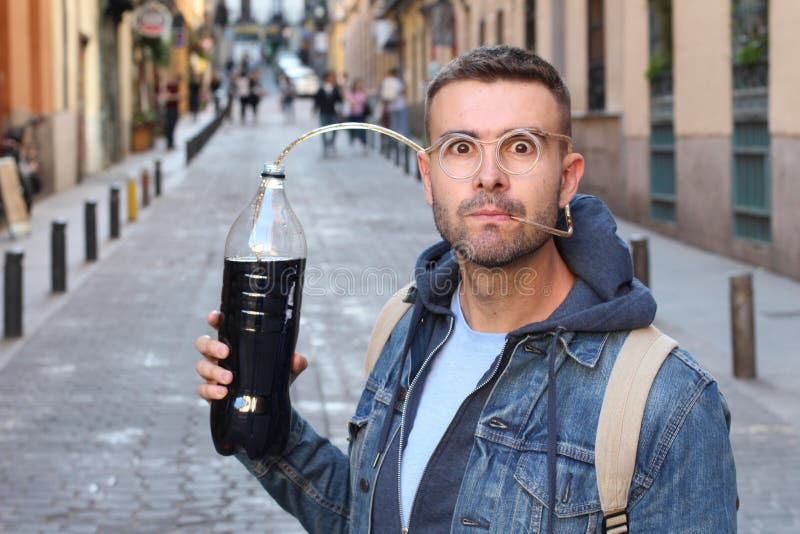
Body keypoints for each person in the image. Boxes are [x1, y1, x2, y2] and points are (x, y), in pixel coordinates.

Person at [195, 46, 737, 532]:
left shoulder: (665, 402)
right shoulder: (402, 328)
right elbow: (369, 519)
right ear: (429, 178)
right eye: (460, 148)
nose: (489, 176)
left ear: (567, 177)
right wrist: (267, 420)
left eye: (521, 147)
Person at [313, 71, 343, 157]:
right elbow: (317, 101)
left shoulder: (335, 89)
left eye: (331, 77)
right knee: (323, 130)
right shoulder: (321, 89)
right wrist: (315, 110)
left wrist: (340, 111)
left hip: (333, 113)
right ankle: (325, 146)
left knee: (335, 130)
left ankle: (332, 144)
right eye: (329, 77)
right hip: (323, 112)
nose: (330, 79)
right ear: (325, 78)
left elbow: (339, 101)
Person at [380, 67, 409, 137]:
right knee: (403, 124)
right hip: (400, 106)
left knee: (394, 125)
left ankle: (394, 141)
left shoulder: (385, 81)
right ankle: (405, 142)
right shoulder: (397, 81)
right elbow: (403, 91)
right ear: (396, 74)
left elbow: (382, 94)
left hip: (391, 107)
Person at [345, 78, 370, 152]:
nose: (359, 85)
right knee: (352, 129)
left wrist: (355, 101)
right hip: (352, 113)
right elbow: (349, 99)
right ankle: (352, 141)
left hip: (360, 114)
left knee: (362, 129)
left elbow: (363, 99)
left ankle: (363, 143)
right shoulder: (351, 92)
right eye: (358, 84)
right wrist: (355, 101)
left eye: (360, 84)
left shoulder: (362, 92)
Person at [163, 74, 181, 150]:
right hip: (170, 110)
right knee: (169, 127)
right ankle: (169, 144)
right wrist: (175, 96)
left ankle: (171, 143)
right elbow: (166, 97)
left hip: (174, 109)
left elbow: (178, 97)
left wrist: (175, 96)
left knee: (172, 127)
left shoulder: (176, 87)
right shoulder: (168, 86)